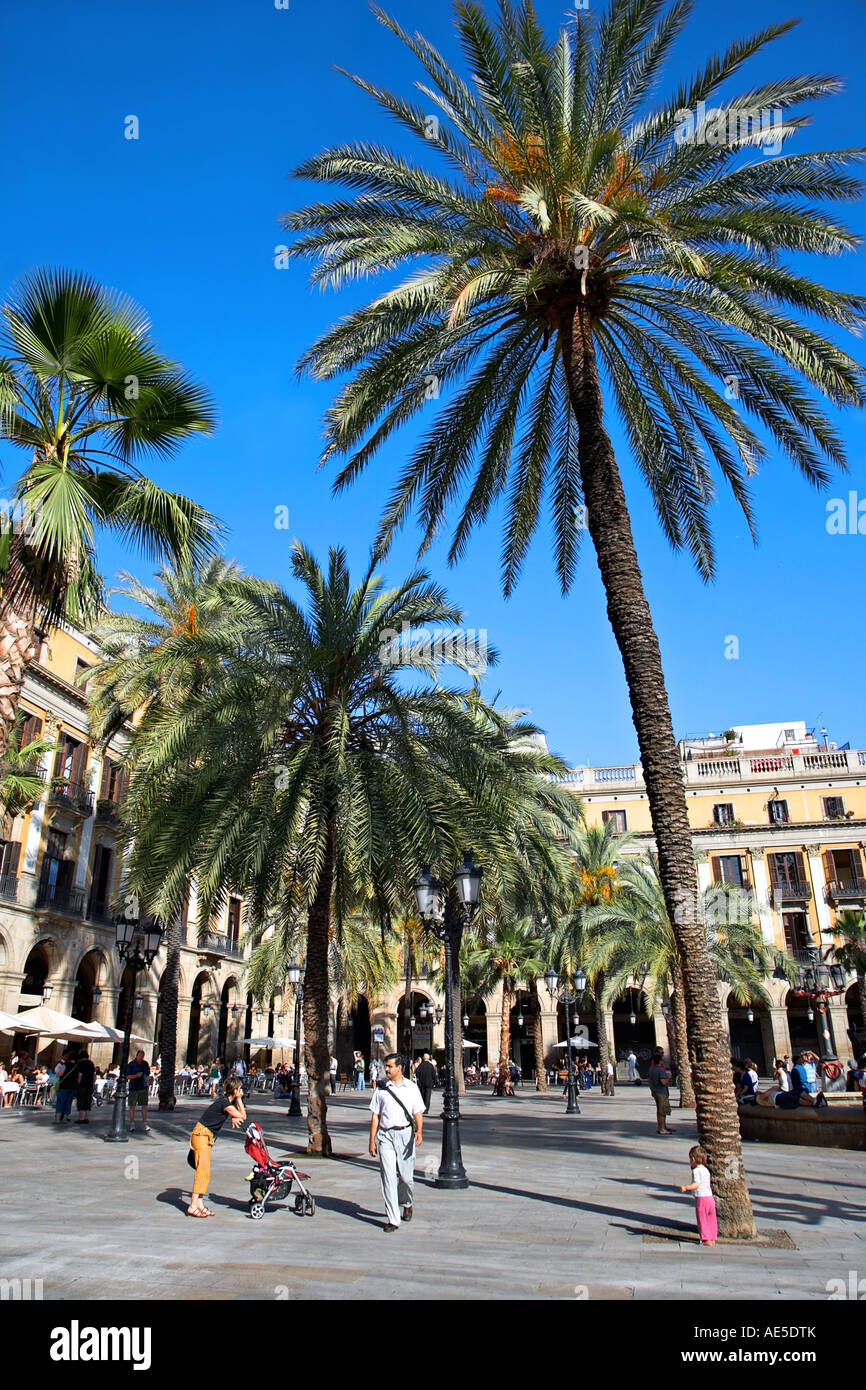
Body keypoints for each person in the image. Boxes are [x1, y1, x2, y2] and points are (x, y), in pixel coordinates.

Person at [368, 1053, 425, 1232]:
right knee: (388, 1176)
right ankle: (393, 1219)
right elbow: (375, 1116)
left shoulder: (411, 1087)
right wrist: (372, 1140)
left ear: (400, 1068)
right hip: (385, 1135)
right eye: (386, 1066)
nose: (387, 1069)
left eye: (390, 1066)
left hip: (405, 1134)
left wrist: (420, 1131)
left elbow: (418, 1113)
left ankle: (407, 1203)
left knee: (406, 1178)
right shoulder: (382, 1088)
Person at [186, 1077, 247, 1217]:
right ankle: (193, 1205)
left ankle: (199, 1204)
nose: (241, 1091)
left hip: (204, 1136)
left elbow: (237, 1115)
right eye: (240, 1089)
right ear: (236, 1090)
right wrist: (239, 1100)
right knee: (202, 1171)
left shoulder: (225, 1103)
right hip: (202, 1135)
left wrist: (234, 1115)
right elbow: (243, 1116)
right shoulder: (225, 1103)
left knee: (205, 1172)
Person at [679, 1145, 717, 1246]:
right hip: (710, 1198)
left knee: (702, 1219)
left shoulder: (696, 1171)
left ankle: (705, 1239)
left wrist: (686, 1187)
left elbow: (696, 1184)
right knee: (711, 1219)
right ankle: (712, 1237)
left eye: (690, 1160)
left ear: (693, 1159)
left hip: (702, 1199)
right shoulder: (706, 1170)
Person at [648, 1047, 673, 1135]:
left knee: (660, 1111)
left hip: (656, 1091)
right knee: (662, 1111)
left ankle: (662, 1126)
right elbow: (663, 1082)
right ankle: (662, 1129)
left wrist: (652, 1090)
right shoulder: (659, 1070)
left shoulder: (651, 1068)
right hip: (661, 1092)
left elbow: (649, 1081)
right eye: (661, 1053)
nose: (662, 1055)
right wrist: (669, 1078)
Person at [126, 1049, 151, 1133]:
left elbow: (147, 1075)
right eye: (140, 1055)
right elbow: (127, 1077)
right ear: (137, 1055)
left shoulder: (145, 1064)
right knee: (132, 1106)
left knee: (144, 1106)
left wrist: (147, 1084)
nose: (142, 1057)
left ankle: (144, 1123)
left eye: (143, 1056)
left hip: (143, 1087)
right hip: (133, 1087)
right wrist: (136, 1075)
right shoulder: (131, 1064)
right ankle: (132, 1123)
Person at [74, 1048, 96, 1124]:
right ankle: (86, 1117)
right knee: (88, 1100)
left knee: (81, 1100)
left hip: (82, 1085)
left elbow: (80, 1075)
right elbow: (94, 1075)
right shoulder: (91, 1063)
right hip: (89, 1085)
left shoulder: (80, 1064)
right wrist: (93, 1083)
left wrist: (77, 1083)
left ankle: (80, 1117)